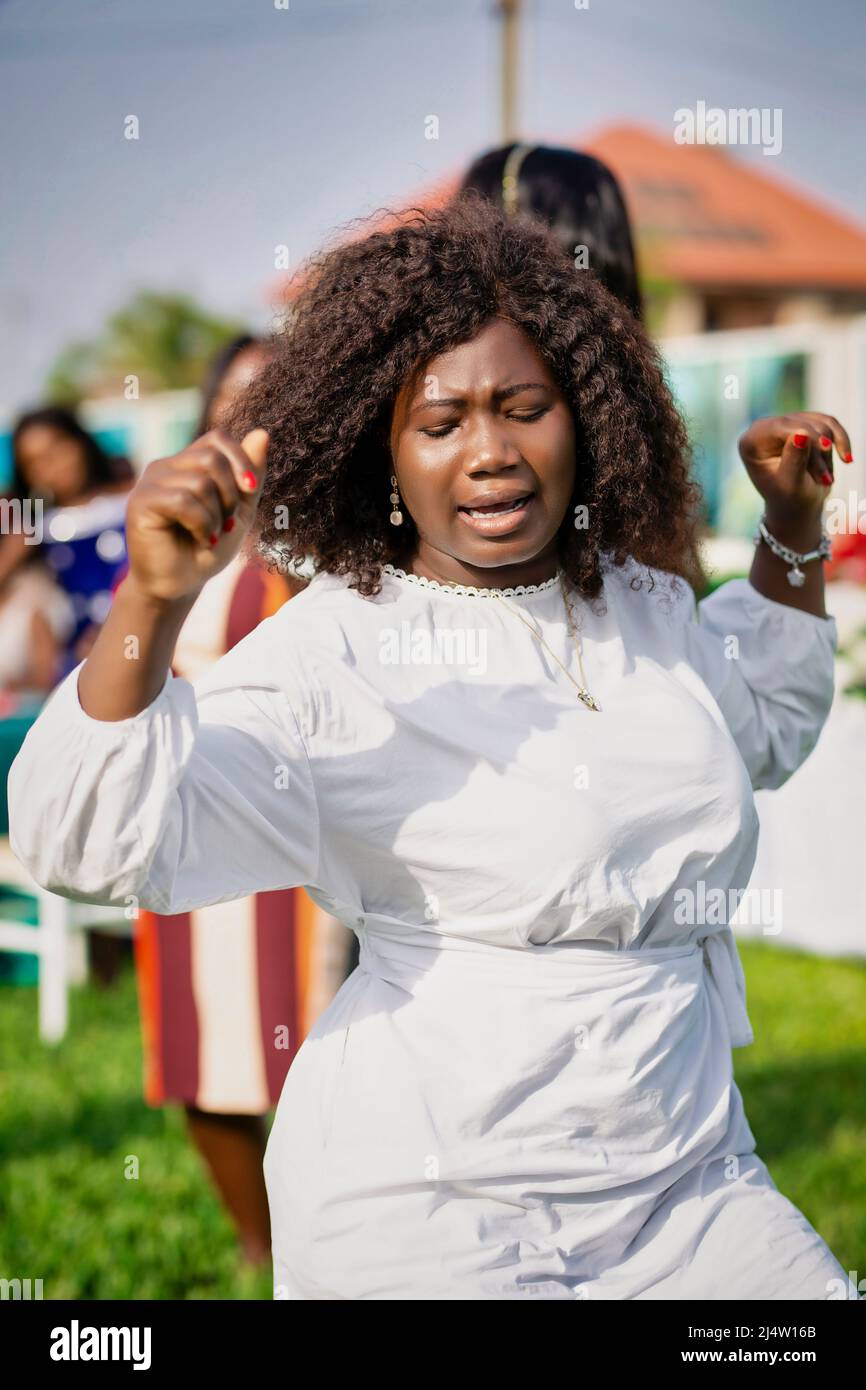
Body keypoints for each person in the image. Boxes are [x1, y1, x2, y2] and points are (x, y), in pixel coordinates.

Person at [8, 196, 858, 1300]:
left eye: (524, 406)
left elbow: (766, 725)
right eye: (441, 421)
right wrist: (151, 601)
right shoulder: (331, 648)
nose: (491, 452)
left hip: (686, 1185)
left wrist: (789, 530)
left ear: (585, 417)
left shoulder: (640, 605)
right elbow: (92, 838)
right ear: (382, 449)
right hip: (431, 1209)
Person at [130, 334, 352, 1266]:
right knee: (200, 1051)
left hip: (310, 828)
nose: (256, 415)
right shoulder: (174, 523)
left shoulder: (345, 531)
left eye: (278, 395)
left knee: (323, 1050)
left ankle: (337, 1247)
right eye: (237, 396)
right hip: (184, 810)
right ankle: (262, 1252)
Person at [10, 406, 134, 674]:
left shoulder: (131, 504)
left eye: (58, 448)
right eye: (34, 462)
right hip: (82, 666)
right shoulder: (38, 534)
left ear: (81, 443)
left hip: (148, 644)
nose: (51, 466)